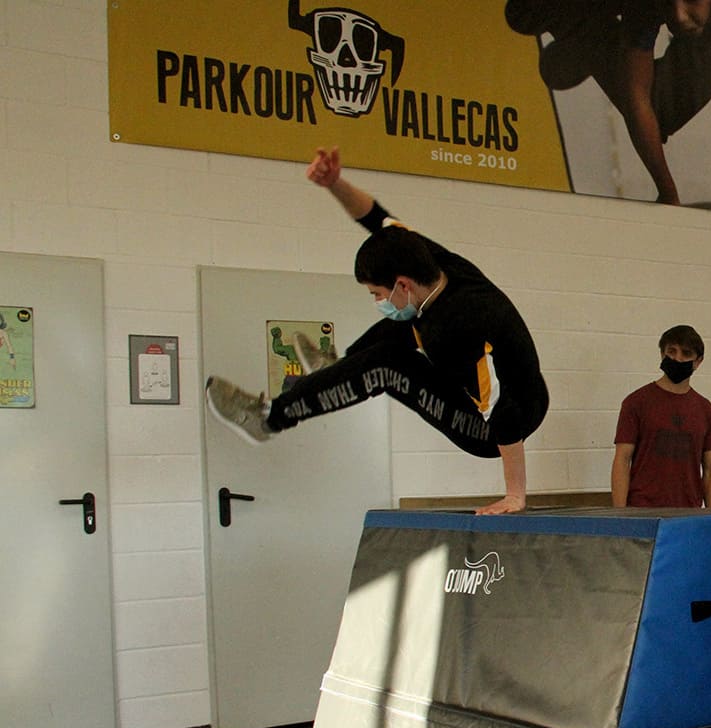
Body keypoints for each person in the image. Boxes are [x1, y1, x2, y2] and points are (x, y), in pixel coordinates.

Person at [206, 147, 549, 515]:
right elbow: (375, 217)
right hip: (504, 388)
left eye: (377, 294)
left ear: (402, 284)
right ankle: (331, 367)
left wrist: (515, 494)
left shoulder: (457, 330)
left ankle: (268, 418)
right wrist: (334, 183)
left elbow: (504, 410)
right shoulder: (427, 259)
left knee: (387, 364)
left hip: (497, 427)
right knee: (401, 328)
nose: (376, 301)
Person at [506, 0, 711, 210]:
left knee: (660, 115)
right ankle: (578, 19)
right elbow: (636, 97)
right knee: (650, 114)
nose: (678, 15)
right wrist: (668, 194)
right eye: (669, 3)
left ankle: (591, 37)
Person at [611, 324, 711, 508]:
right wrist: (621, 517)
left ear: (698, 362)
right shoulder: (635, 403)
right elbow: (622, 460)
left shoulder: (706, 410)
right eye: (672, 351)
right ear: (662, 354)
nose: (678, 358)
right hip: (642, 512)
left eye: (686, 353)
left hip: (690, 515)